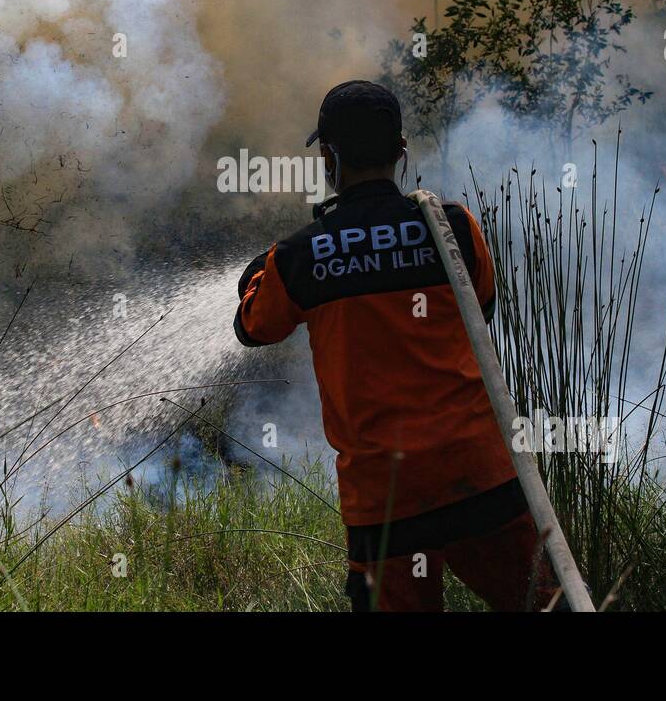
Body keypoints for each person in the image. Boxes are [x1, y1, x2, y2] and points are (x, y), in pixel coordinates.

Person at [233, 79, 554, 612]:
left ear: (330, 157)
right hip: (480, 475)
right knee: (546, 605)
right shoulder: (453, 227)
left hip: (386, 500)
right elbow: (482, 309)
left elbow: (253, 327)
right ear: (400, 152)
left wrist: (257, 274)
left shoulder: (297, 257)